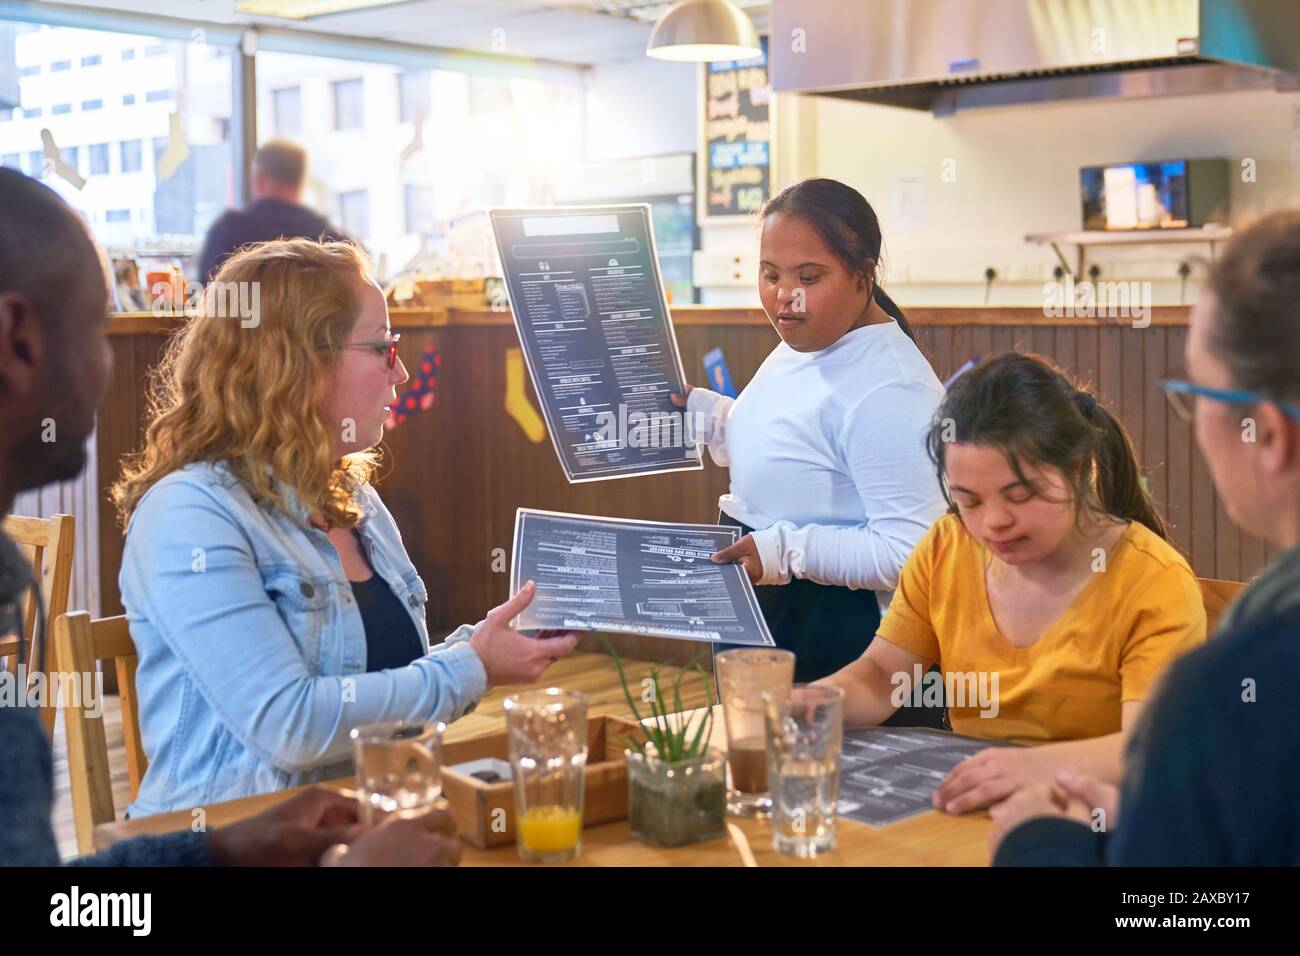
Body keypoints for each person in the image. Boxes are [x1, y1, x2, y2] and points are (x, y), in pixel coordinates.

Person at [0, 167, 456, 866]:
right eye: (97, 330)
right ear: (17, 340)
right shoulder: (189, 511)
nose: (108, 367)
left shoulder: (353, 496)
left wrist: (231, 851)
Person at [111, 237, 579, 816]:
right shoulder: (190, 514)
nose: (401, 372)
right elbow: (292, 724)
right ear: (299, 362)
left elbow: (387, 680)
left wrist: (488, 642)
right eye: (383, 348)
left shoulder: (354, 500)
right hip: (232, 845)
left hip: (365, 826)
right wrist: (474, 666)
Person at [991, 210, 1300, 865]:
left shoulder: (1238, 681)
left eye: (1196, 393)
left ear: (1268, 434)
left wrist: (1038, 838)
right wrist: (1143, 812)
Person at [819, 352, 1207, 812]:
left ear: (1081, 470)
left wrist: (1032, 768)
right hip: (978, 809)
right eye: (970, 500)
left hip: (1094, 821)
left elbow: (1149, 749)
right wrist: (815, 705)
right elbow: (885, 678)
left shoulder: (1150, 580)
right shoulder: (947, 546)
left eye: (1019, 495)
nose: (994, 523)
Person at [678, 178, 948, 697]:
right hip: (769, 600)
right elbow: (800, 445)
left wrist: (785, 551)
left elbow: (912, 552)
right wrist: (711, 418)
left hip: (838, 628)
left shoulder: (891, 387)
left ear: (862, 277)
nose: (784, 296)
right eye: (770, 274)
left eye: (809, 276)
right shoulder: (809, 338)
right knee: (759, 769)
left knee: (816, 772)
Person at [197, 139, 353, 282]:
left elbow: (208, 298)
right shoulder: (333, 241)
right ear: (302, 182)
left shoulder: (228, 233)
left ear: (258, 179)